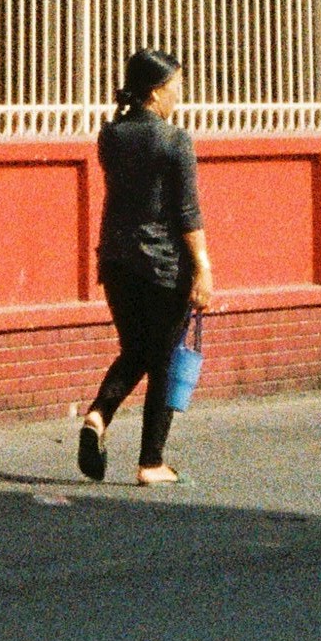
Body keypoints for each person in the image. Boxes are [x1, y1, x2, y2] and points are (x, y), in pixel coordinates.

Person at [79, 46, 215, 490]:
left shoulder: (110, 136)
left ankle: (99, 416)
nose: (180, 94)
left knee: (137, 349)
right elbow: (187, 214)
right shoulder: (174, 140)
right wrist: (203, 269)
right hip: (163, 265)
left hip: (116, 260)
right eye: (176, 86)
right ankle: (151, 461)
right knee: (162, 359)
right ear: (156, 92)